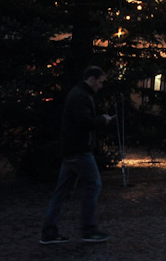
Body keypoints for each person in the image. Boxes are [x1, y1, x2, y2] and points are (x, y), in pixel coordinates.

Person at [40, 66, 115, 244]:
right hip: (79, 150)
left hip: (71, 150)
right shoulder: (80, 96)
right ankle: (88, 229)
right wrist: (102, 120)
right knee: (93, 185)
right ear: (91, 79)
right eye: (100, 81)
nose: (101, 86)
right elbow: (84, 122)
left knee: (61, 191)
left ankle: (49, 232)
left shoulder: (77, 94)